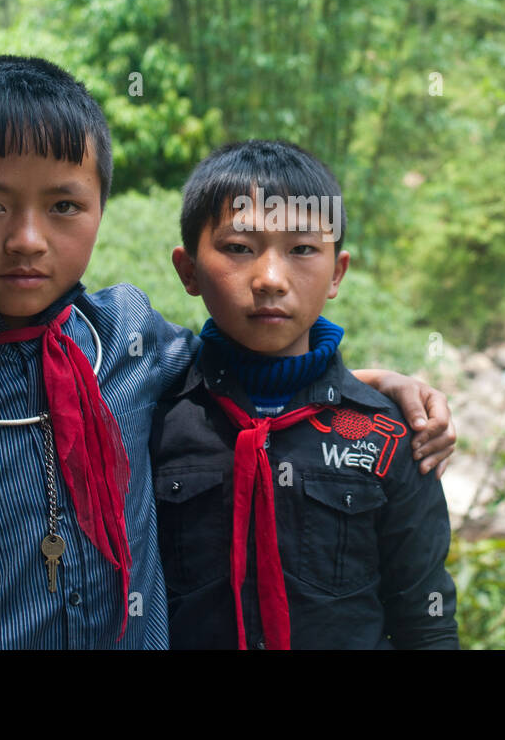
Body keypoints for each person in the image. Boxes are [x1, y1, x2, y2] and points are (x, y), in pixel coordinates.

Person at [0, 55, 455, 649]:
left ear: (100, 207)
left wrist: (374, 388)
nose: (27, 239)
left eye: (62, 204)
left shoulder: (129, 341)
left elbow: (257, 361)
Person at [154, 140, 458, 649]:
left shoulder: (389, 434)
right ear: (188, 270)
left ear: (336, 272)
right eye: (238, 248)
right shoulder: (154, 416)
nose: (270, 279)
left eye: (302, 249)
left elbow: (423, 619)